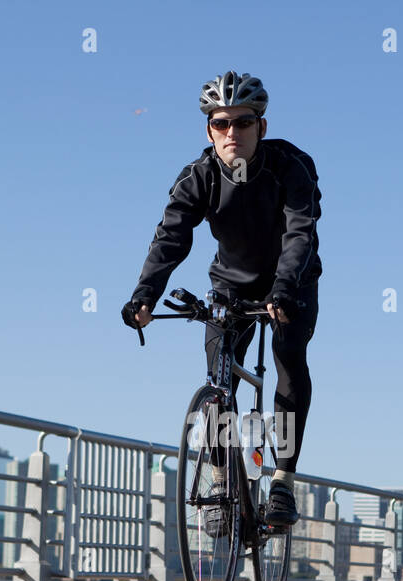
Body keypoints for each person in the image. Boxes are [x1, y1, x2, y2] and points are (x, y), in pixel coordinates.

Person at [121, 70, 321, 527]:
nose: (232, 133)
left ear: (262, 127)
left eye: (244, 122)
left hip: (292, 283)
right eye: (221, 124)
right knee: (219, 379)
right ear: (209, 129)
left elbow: (300, 232)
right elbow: (171, 238)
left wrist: (285, 287)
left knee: (288, 362)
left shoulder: (292, 167)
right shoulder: (199, 176)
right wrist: (144, 294)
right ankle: (217, 476)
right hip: (230, 286)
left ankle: (282, 483)